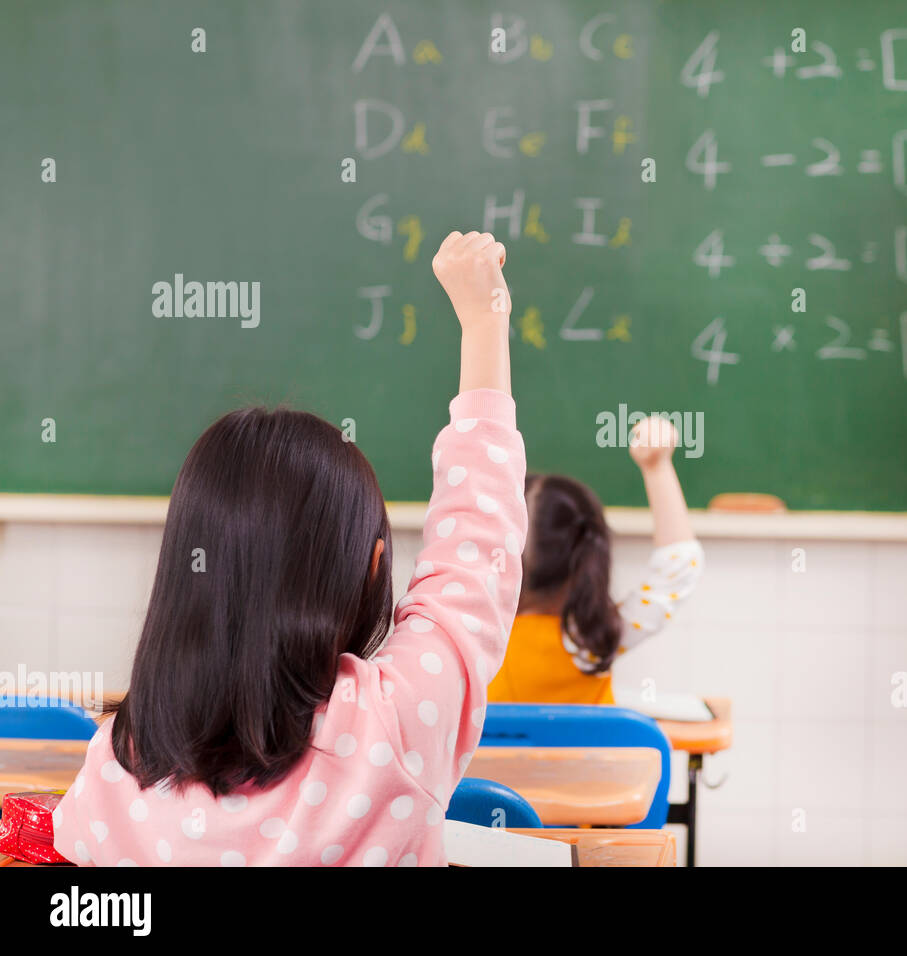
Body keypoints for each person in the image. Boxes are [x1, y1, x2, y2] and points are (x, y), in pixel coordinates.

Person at [53, 231, 527, 866]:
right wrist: (485, 320)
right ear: (372, 569)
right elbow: (475, 548)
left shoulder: (113, 772)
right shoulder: (391, 724)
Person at [488, 415, 703, 704]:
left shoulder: (475, 641)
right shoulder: (590, 641)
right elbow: (679, 565)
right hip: (593, 752)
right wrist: (657, 468)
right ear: (590, 557)